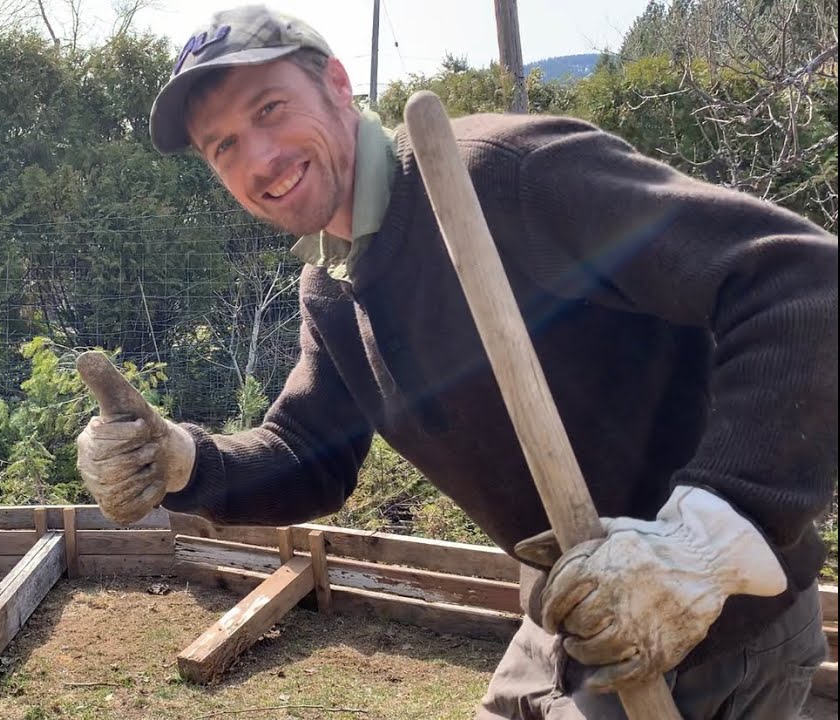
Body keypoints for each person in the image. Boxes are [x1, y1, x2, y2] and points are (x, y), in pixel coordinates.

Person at [74, 5, 838, 719]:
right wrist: (182, 461)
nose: (260, 158)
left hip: (708, 622)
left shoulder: (503, 176)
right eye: (224, 146)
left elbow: (802, 283)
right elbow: (309, 451)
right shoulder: (332, 286)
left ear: (338, 84)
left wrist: (701, 545)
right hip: (565, 605)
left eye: (269, 109)